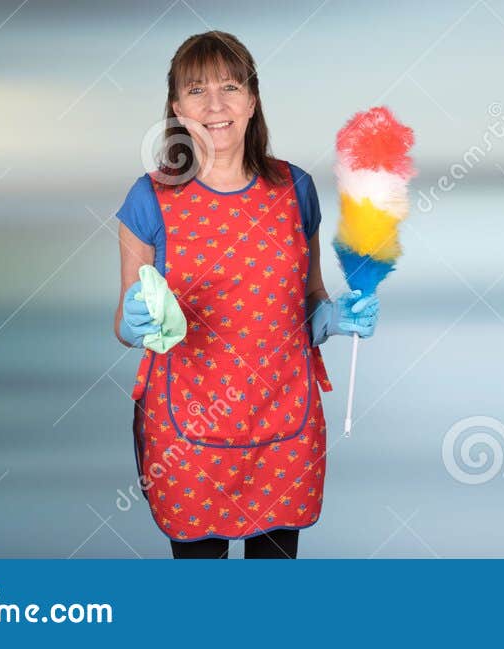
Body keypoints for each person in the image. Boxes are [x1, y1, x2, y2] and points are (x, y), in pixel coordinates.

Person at [112, 31, 376, 559]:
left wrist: (336, 317)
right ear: (175, 106)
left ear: (252, 101)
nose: (215, 106)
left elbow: (310, 304)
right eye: (196, 91)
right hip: (188, 430)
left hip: (284, 421)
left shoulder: (295, 188)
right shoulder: (150, 198)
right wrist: (134, 320)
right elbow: (124, 321)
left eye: (230, 87)